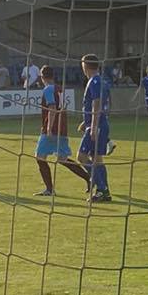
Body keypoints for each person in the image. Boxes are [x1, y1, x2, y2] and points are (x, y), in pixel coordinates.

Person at [34, 66, 92, 196]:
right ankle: (89, 178)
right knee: (62, 159)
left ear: (42, 77)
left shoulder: (48, 89)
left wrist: (49, 127)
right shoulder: (60, 89)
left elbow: (53, 108)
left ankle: (49, 189)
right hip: (62, 129)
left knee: (40, 157)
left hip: (52, 129)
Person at [79, 53, 114, 201]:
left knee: (81, 157)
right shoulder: (102, 81)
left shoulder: (94, 81)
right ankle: (103, 190)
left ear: (85, 66)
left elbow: (97, 103)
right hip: (100, 123)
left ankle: (101, 188)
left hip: (96, 126)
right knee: (97, 158)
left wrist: (92, 126)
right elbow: (107, 104)